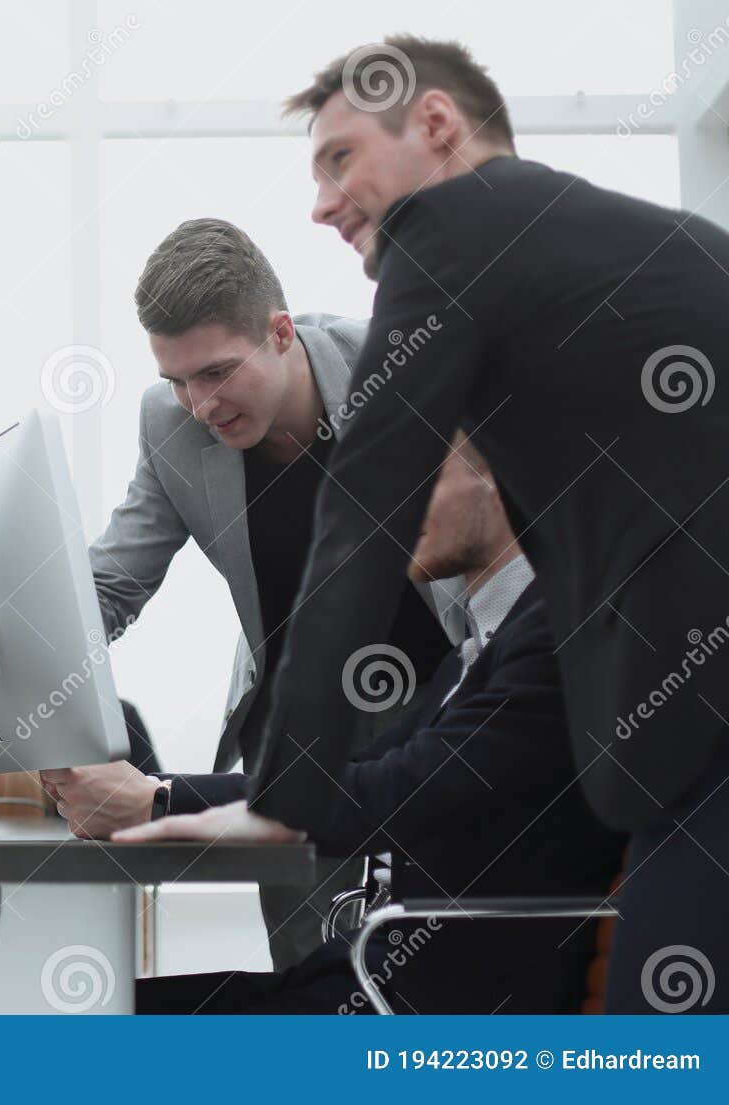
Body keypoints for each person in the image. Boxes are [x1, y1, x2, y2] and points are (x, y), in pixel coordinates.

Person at [137, 35, 729, 1014]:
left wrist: (285, 803)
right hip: (687, 720)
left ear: (438, 125)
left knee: (660, 1045)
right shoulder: (586, 257)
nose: (321, 203)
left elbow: (362, 514)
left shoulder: (455, 232)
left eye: (340, 159)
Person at [102, 437, 628, 1011]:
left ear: (504, 479)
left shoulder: (560, 636)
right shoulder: (478, 649)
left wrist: (159, 801)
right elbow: (359, 770)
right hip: (377, 977)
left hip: (443, 1013)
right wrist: (158, 793)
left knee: (93, 1023)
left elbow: (397, 789)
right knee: (98, 1009)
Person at [84, 217, 463, 966]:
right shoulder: (170, 425)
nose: (200, 403)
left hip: (439, 701)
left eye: (217, 372)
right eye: (177, 379)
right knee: (310, 972)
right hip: (301, 732)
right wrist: (37, 671)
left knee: (442, 963)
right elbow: (112, 582)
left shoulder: (399, 369)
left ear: (281, 332)